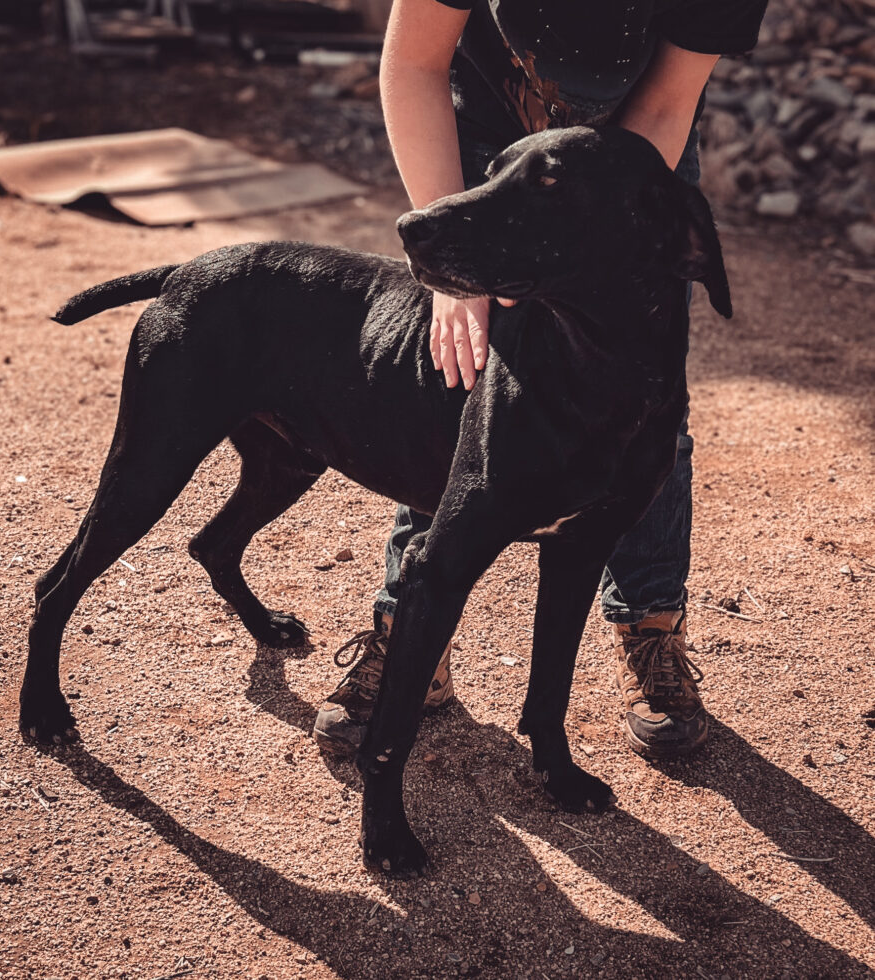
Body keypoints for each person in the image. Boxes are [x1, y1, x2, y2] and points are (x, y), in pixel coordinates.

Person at [313, 0, 767, 760]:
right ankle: (409, 626)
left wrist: (588, 245)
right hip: (489, 141)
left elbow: (662, 103)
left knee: (639, 400)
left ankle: (650, 625)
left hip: (627, 162)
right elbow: (415, 61)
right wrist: (458, 276)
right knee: (457, 365)